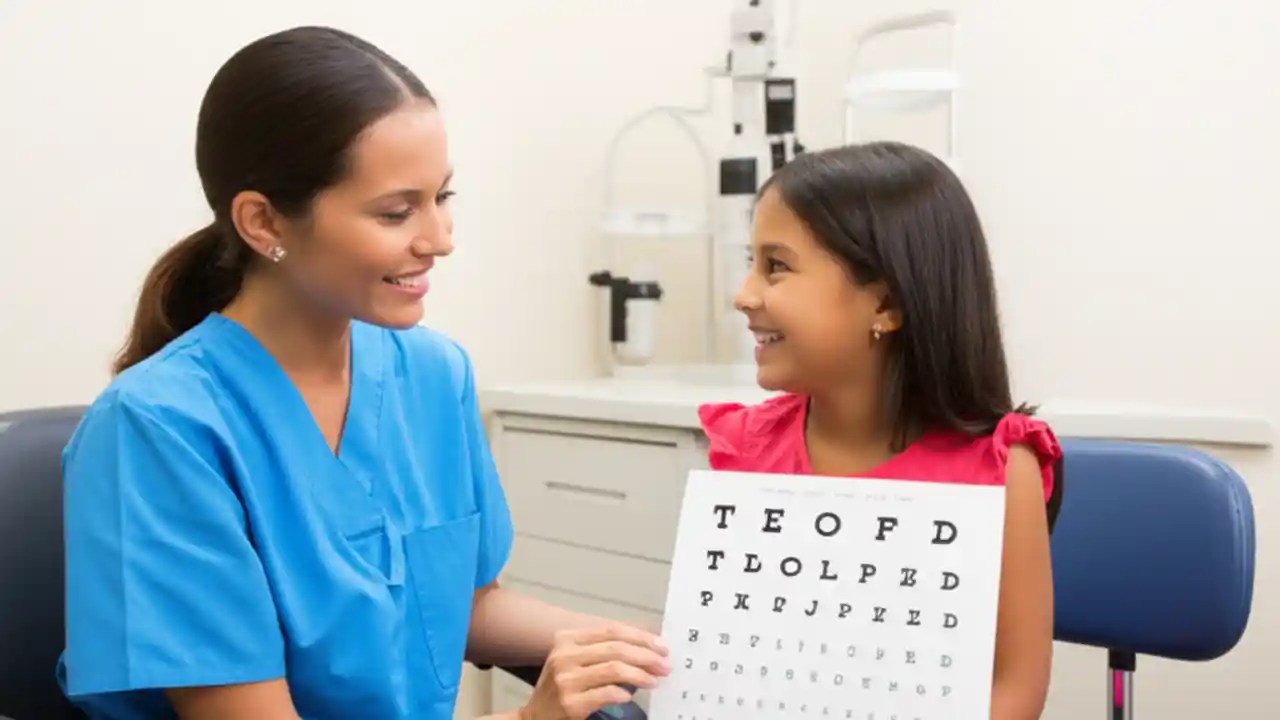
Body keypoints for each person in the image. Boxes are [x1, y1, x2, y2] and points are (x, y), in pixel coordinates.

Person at [58, 26, 668, 720]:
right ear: (263, 223)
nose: (439, 239)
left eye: (444, 198)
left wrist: (653, 652)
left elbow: (461, 606)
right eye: (396, 211)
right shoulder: (159, 429)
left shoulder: (435, 375)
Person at [697, 142, 1060, 719]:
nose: (744, 295)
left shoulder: (997, 471)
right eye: (752, 262)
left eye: (777, 265)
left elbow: (1014, 694)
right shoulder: (746, 448)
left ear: (885, 303)